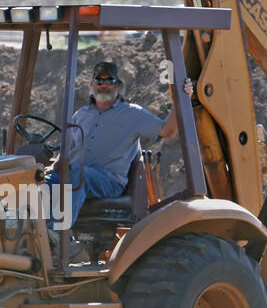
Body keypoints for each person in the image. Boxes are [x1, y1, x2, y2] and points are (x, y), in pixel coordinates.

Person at [45, 60, 177, 232]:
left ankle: (56, 235)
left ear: (117, 86)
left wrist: (181, 99)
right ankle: (24, 235)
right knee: (34, 183)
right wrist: (46, 173)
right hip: (76, 175)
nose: (104, 86)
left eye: (110, 82)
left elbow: (167, 130)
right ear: (92, 85)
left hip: (108, 181)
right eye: (100, 82)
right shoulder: (80, 115)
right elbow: (66, 154)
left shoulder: (132, 113)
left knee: (78, 175)